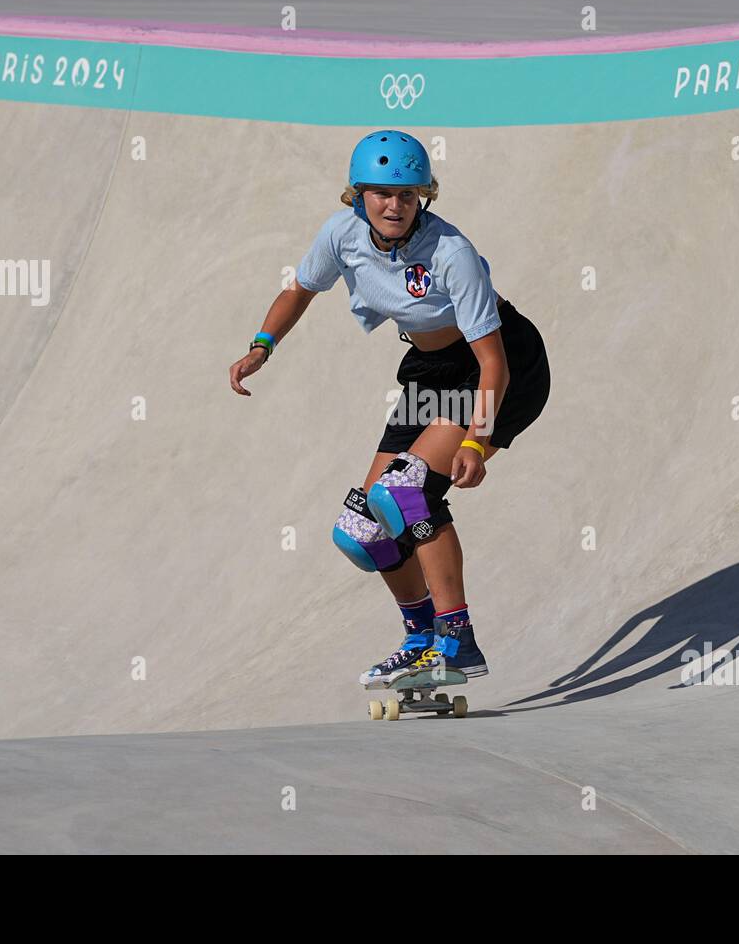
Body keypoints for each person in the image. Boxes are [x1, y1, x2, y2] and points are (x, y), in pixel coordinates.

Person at [228, 130, 551, 689]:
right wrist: (262, 346)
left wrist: (476, 441)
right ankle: (421, 639)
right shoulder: (341, 234)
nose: (395, 205)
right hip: (431, 370)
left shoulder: (451, 254)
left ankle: (457, 642)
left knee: (407, 493)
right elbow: (299, 290)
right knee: (363, 528)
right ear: (358, 195)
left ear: (423, 195)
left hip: (501, 367)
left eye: (407, 194)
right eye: (381, 193)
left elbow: (493, 363)